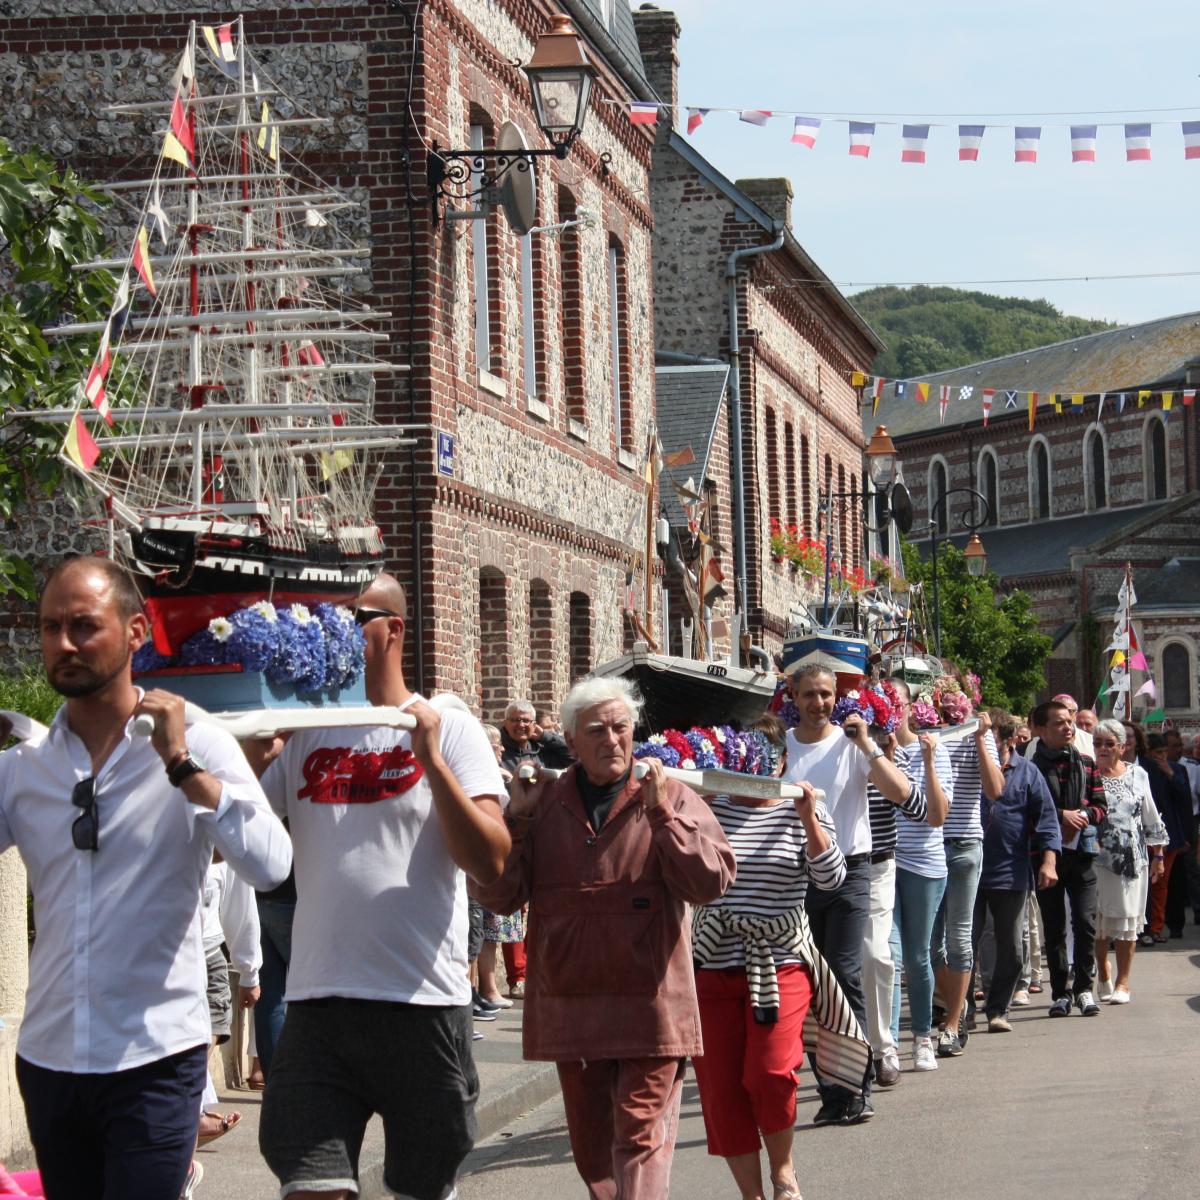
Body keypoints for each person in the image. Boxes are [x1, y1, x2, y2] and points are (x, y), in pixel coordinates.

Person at [0, 555, 291, 1198]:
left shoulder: (195, 741)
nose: (64, 644)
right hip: (50, 1059)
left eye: (83, 626)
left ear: (135, 633)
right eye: (50, 628)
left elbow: (271, 864)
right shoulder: (23, 769)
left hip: (155, 1058)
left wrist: (182, 765)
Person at [253, 573, 511, 1200]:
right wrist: (252, 758)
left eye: (350, 615)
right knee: (310, 1187)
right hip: (319, 1002)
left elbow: (491, 860)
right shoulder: (300, 731)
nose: (331, 628)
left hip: (421, 1004)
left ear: (392, 628)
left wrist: (432, 761)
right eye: (320, 615)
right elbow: (232, 842)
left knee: (420, 1188)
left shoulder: (448, 727)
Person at [475, 677, 735, 1200]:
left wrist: (662, 815)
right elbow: (499, 896)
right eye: (597, 730)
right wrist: (518, 820)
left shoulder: (670, 794)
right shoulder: (544, 803)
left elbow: (710, 882)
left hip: (651, 1007)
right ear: (570, 742)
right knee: (594, 1152)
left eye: (622, 728)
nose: (612, 740)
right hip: (573, 1010)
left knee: (640, 1137)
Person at [689, 714, 865, 1200]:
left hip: (780, 958)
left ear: (781, 762)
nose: (751, 775)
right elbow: (675, 871)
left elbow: (831, 879)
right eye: (741, 763)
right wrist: (686, 815)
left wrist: (808, 817)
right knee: (721, 1090)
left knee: (770, 1073)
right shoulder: (710, 808)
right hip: (713, 961)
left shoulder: (800, 806)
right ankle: (752, 1195)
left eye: (762, 763)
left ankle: (783, 1171)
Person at [782, 662, 912, 1125]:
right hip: (798, 876)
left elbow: (901, 794)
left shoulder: (853, 744)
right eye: (810, 695)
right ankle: (832, 1092)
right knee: (810, 987)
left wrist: (868, 744)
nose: (819, 703)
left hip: (851, 873)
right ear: (793, 697)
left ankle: (857, 1087)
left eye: (826, 694)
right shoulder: (783, 748)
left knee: (843, 975)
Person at [972, 712, 1060, 1033]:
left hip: (1010, 871)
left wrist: (1049, 861)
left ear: (1008, 741)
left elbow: (1046, 820)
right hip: (968, 871)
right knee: (963, 945)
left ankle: (998, 1009)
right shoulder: (967, 768)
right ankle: (965, 1007)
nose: (981, 744)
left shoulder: (1028, 773)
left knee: (1013, 947)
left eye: (990, 738)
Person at [861, 687, 931, 1088]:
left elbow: (919, 809)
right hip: (823, 868)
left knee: (876, 954)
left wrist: (873, 753)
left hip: (875, 866)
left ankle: (882, 1046)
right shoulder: (823, 751)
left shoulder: (891, 756)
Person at [931, 700, 1003, 1056]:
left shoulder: (977, 731)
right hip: (925, 843)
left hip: (962, 842)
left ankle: (953, 1021)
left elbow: (995, 789)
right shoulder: (920, 727)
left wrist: (980, 738)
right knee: (928, 946)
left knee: (958, 936)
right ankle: (952, 1007)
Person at [1029, 698, 1107, 1016]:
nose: (1067, 727)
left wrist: (1083, 815)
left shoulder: (1086, 763)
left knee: (1086, 922)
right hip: (1047, 855)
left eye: (1069, 721)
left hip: (1083, 852)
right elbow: (1028, 808)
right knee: (1054, 925)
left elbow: (1102, 807)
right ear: (1042, 729)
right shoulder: (1032, 767)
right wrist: (1061, 815)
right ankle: (1061, 992)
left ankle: (1085, 988)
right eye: (1059, 723)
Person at [1092, 720, 1166, 1002]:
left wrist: (1158, 854)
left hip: (1130, 861)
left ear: (1122, 747)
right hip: (1095, 860)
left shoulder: (1139, 775)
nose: (1103, 749)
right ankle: (1103, 970)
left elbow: (1151, 817)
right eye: (1098, 743)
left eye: (1109, 744)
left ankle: (1123, 982)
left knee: (1126, 922)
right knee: (1098, 923)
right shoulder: (1087, 773)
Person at [1140, 732, 1193, 943]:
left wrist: (1169, 772)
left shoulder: (1177, 769)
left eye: (1164, 753)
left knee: (1161, 883)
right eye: (1157, 753)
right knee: (1145, 883)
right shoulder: (1142, 771)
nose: (1161, 757)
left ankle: (1156, 927)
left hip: (1168, 836)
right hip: (1145, 834)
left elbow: (1184, 799)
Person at [499, 698, 573, 774]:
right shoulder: (497, 751)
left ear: (534, 725)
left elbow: (572, 755)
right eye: (515, 720)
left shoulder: (540, 752)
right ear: (505, 723)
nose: (521, 725)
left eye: (526, 721)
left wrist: (544, 736)